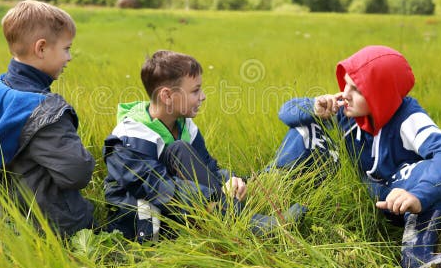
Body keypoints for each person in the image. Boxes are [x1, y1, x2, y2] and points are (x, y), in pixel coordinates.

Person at [272, 45, 441, 268]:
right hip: (351, 186)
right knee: (305, 125)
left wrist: (418, 196)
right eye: (345, 84)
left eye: (357, 89)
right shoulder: (344, 108)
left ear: (380, 94)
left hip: (393, 193)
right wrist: (314, 107)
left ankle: (416, 258)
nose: (345, 93)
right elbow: (286, 111)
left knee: (431, 181)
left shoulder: (409, 117)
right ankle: (268, 182)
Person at [103, 50, 306, 242]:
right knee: (179, 157)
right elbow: (157, 187)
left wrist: (231, 180)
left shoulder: (185, 126)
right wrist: (211, 198)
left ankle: (235, 220)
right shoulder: (130, 135)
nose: (202, 97)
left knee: (180, 149)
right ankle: (243, 223)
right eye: (195, 90)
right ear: (167, 96)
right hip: (140, 220)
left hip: (179, 208)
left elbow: (207, 169)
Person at [0, 0, 95, 237]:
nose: (69, 57)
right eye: (66, 48)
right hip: (52, 228)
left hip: (2, 217)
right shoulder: (46, 111)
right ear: (41, 48)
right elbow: (77, 172)